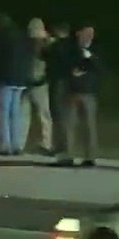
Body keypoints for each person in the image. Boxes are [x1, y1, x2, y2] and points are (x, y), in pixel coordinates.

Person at [55, 25, 103, 167]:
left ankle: (90, 157)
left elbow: (101, 69)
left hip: (88, 92)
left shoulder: (96, 50)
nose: (89, 36)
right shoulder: (69, 49)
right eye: (86, 33)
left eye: (91, 34)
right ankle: (67, 156)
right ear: (78, 33)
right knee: (68, 125)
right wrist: (73, 72)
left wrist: (90, 57)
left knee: (89, 126)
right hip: (71, 91)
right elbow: (62, 65)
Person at [0, 13, 34, 156]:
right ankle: (17, 145)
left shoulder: (2, 37)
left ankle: (4, 146)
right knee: (15, 112)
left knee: (3, 112)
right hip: (20, 79)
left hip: (5, 78)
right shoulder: (23, 37)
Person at [18, 18, 55, 156]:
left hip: (40, 84)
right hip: (29, 83)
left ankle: (46, 143)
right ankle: (20, 143)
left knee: (43, 114)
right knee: (24, 115)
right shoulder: (28, 45)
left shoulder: (48, 45)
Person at [44, 22, 73, 156]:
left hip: (57, 81)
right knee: (63, 115)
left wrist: (48, 43)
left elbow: (44, 55)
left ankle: (61, 146)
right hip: (67, 82)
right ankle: (62, 145)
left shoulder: (58, 45)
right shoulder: (72, 45)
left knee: (57, 115)